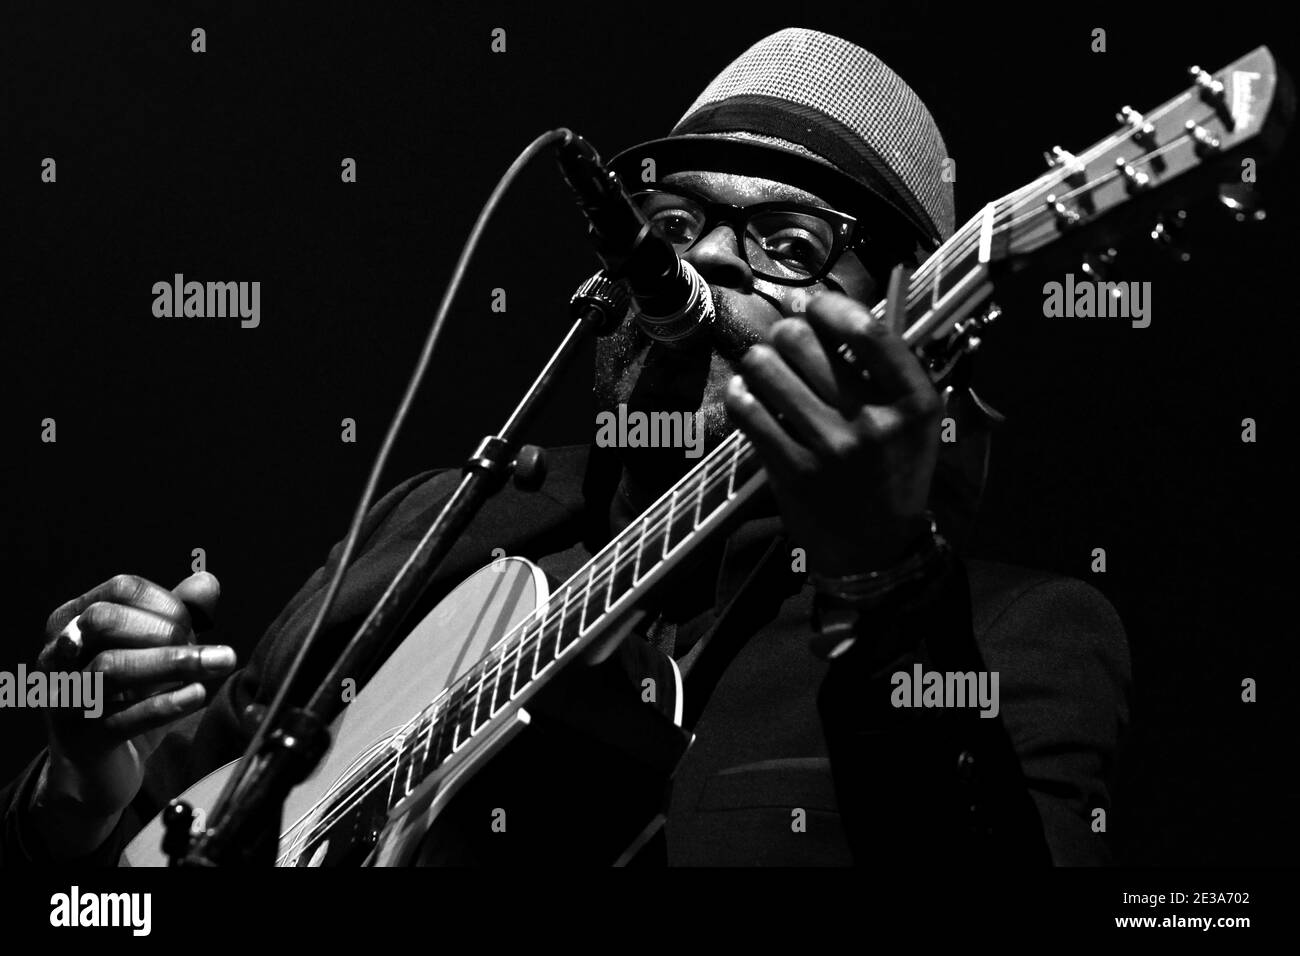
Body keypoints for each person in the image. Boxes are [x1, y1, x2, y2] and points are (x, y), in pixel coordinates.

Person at [1, 28, 1130, 867]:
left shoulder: (1018, 634)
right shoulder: (439, 518)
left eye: (787, 243)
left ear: (905, 329)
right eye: (676, 225)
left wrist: (881, 585)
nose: (708, 264)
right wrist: (82, 774)